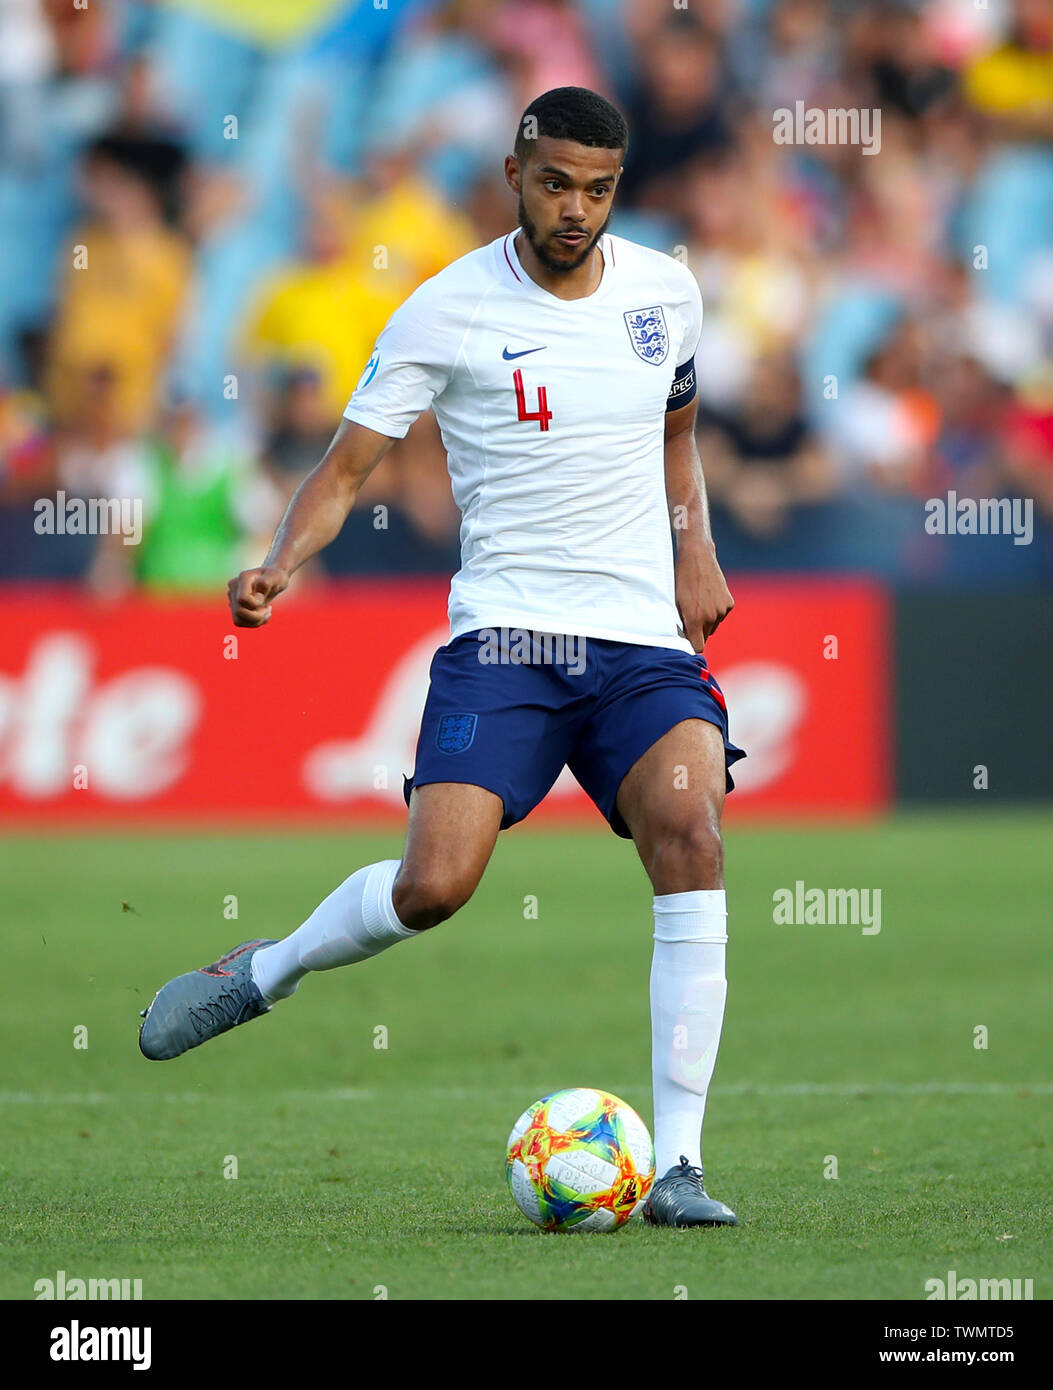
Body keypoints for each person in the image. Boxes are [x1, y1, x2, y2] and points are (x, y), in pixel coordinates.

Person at [138, 88, 746, 1229]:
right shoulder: (443, 308)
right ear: (515, 170)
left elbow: (675, 434)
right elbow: (347, 467)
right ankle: (267, 970)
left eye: (599, 189)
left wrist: (694, 553)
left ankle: (679, 1166)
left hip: (637, 644)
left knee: (691, 830)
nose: (577, 209)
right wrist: (280, 562)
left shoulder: (666, 292)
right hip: (503, 641)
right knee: (433, 886)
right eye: (557, 182)